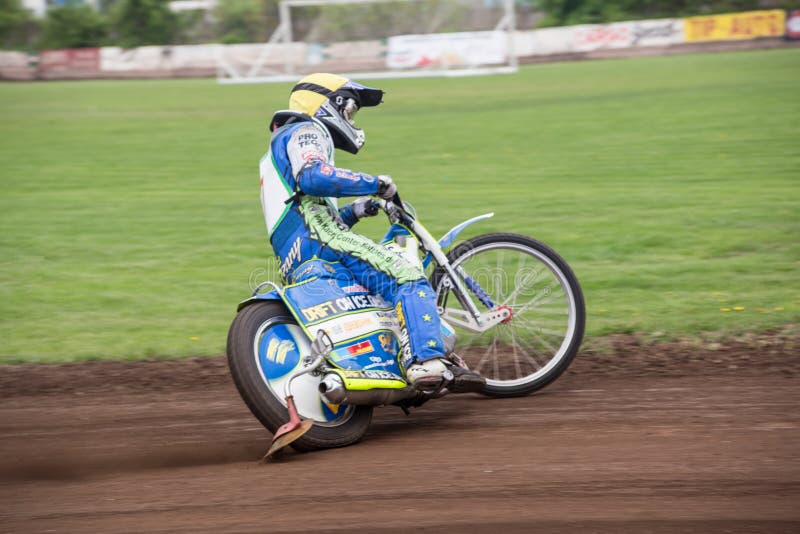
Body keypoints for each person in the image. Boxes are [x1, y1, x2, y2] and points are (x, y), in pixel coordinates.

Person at [259, 72, 483, 392]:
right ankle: (424, 362)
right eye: (350, 109)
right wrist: (374, 183)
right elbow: (312, 177)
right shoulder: (308, 130)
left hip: (298, 257)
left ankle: (386, 362)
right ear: (330, 104)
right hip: (324, 244)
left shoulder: (276, 149)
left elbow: (309, 216)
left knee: (378, 295)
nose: (352, 117)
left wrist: (356, 210)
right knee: (407, 276)